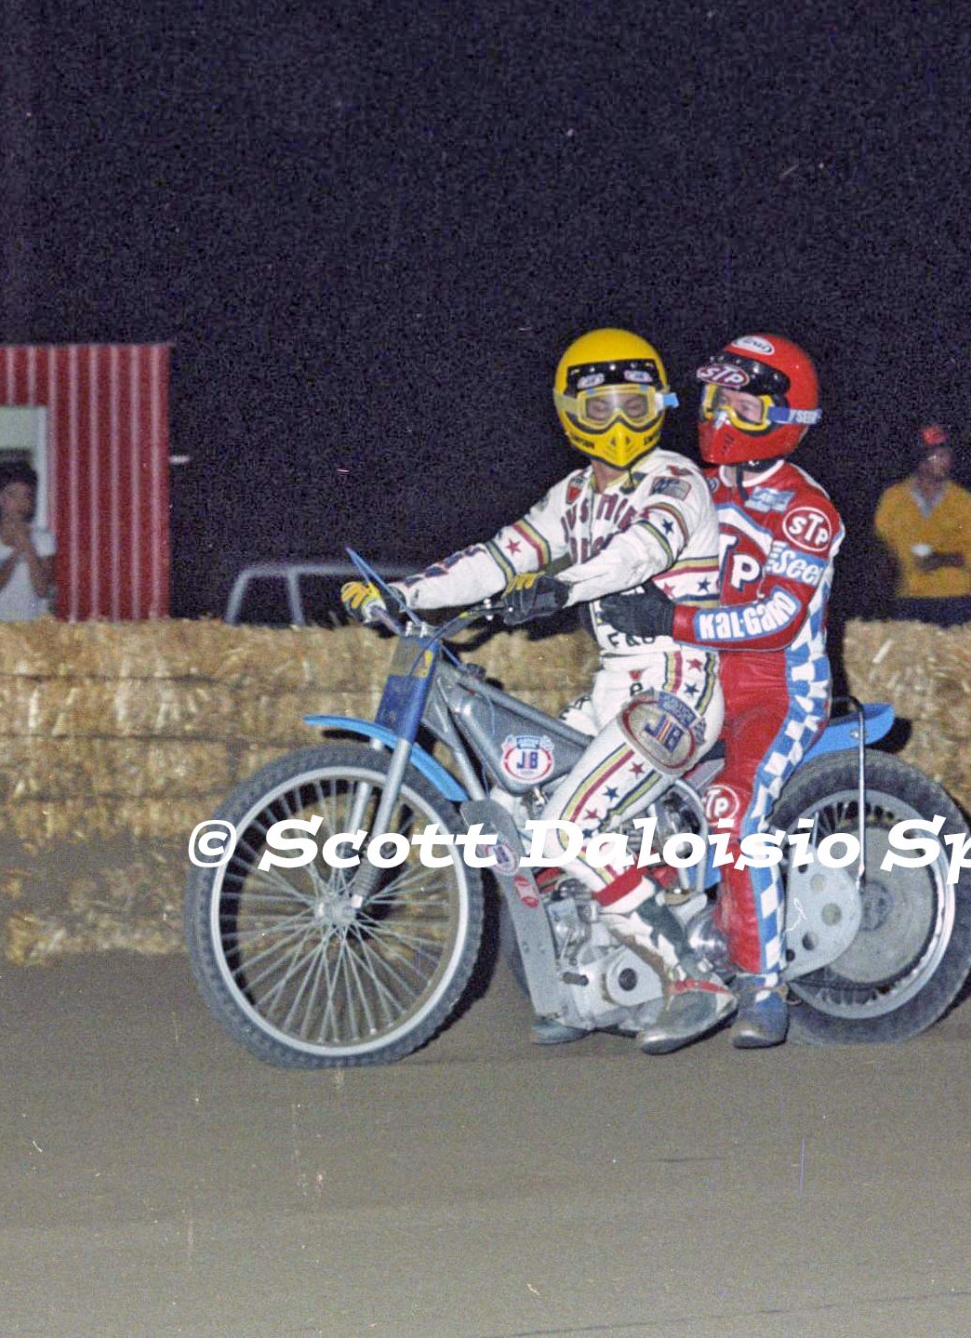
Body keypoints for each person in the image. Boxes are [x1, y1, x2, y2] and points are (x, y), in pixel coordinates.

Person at [341, 328, 733, 1054]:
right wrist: (402, 593)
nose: (617, 420)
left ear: (660, 404)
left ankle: (695, 977)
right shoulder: (573, 495)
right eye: (598, 405)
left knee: (572, 826)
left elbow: (638, 552)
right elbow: (496, 557)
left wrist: (559, 587)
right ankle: (586, 985)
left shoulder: (677, 479)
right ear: (569, 412)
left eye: (632, 401)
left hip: (679, 686)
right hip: (616, 688)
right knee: (529, 816)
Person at [603, 333, 838, 1049]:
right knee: (609, 779)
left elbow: (775, 618)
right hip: (702, 687)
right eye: (716, 398)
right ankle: (631, 967)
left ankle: (763, 986)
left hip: (778, 695)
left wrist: (669, 616)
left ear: (781, 414)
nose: (720, 412)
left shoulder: (807, 509)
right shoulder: (700, 488)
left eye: (738, 400)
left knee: (733, 805)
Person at [872, 424, 971, 626]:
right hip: (909, 597)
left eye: (946, 455)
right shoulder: (893, 498)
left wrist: (943, 559)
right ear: (920, 461)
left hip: (955, 599)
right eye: (938, 455)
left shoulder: (963, 501)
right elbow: (879, 544)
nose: (945, 461)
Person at [0, 466, 56, 620]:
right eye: (12, 495)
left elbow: (42, 590)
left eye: (26, 496)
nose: (20, 502)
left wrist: (28, 546)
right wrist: (15, 553)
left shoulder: (44, 539)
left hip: (33, 630)